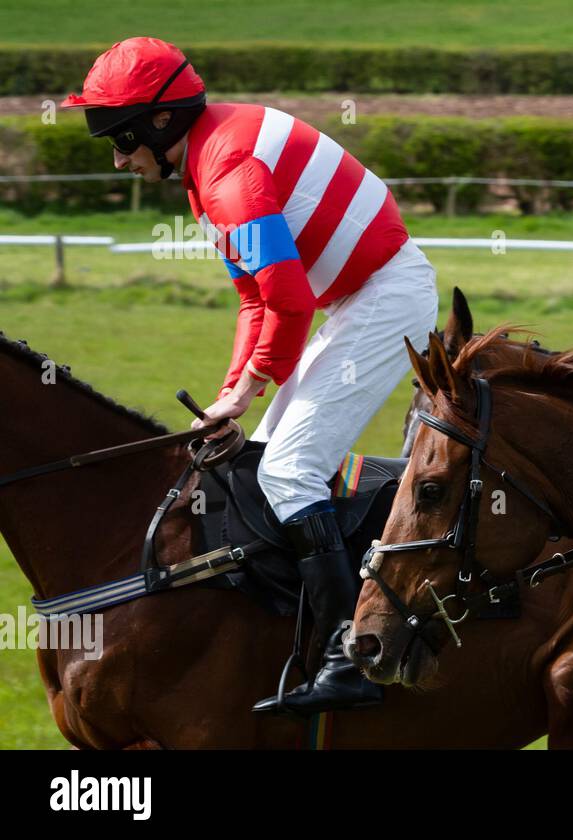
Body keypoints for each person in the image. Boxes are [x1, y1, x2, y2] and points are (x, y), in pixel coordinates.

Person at [62, 37, 440, 714]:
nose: (120, 160)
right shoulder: (209, 158)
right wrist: (230, 394)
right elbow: (254, 298)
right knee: (267, 464)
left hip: (384, 298)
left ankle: (350, 655)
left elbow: (289, 299)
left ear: (159, 122)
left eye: (122, 141)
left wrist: (249, 385)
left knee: (286, 472)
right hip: (362, 296)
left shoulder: (229, 166)